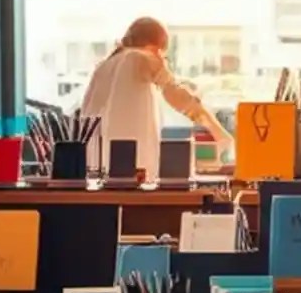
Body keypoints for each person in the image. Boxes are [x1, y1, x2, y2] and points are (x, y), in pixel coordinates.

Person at [80, 17, 233, 181]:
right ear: (155, 46)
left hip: (95, 173)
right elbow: (180, 98)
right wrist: (223, 136)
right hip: (133, 169)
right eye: (162, 52)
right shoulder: (141, 58)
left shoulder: (104, 66)